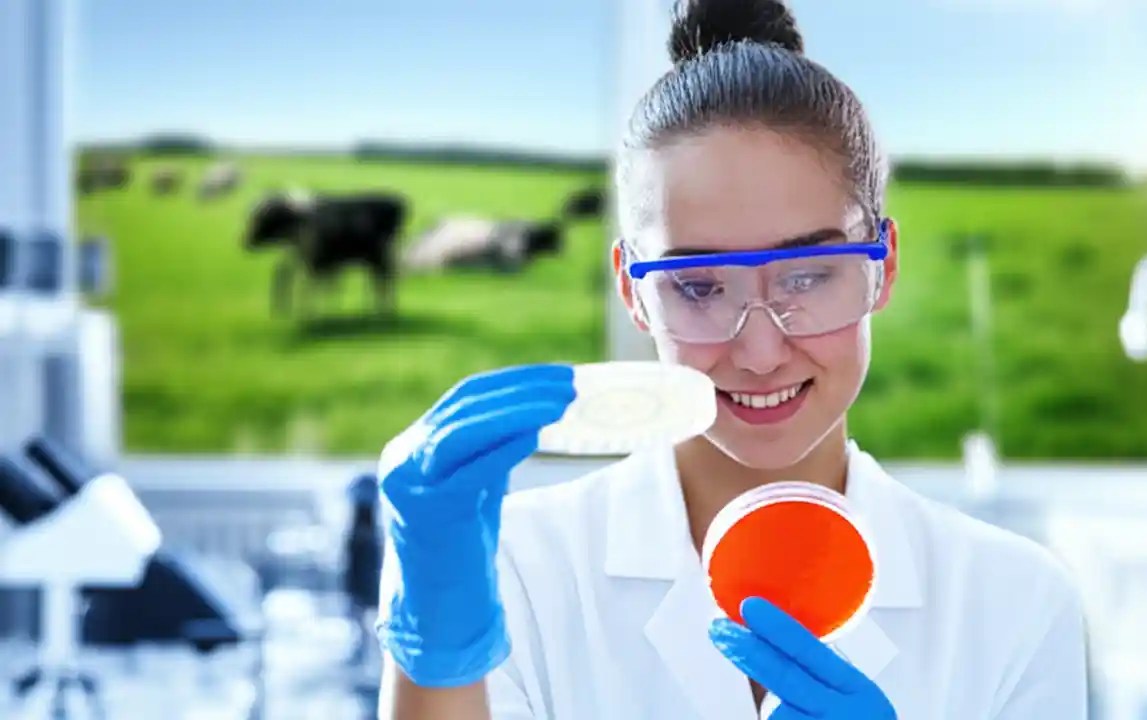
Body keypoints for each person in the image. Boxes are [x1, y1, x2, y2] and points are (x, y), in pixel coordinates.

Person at [375, 0, 1089, 717]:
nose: (759, 350)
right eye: (698, 285)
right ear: (632, 289)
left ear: (884, 265)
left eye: (808, 275)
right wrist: (435, 657)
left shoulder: (1014, 603)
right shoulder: (504, 572)